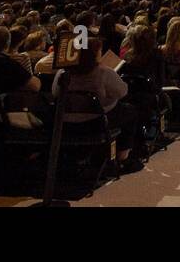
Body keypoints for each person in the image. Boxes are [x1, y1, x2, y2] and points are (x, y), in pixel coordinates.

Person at [55, 38, 143, 172]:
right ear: (94, 54)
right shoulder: (103, 72)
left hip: (66, 121)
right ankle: (123, 157)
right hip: (96, 122)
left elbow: (55, 93)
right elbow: (123, 91)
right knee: (130, 111)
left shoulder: (62, 73)